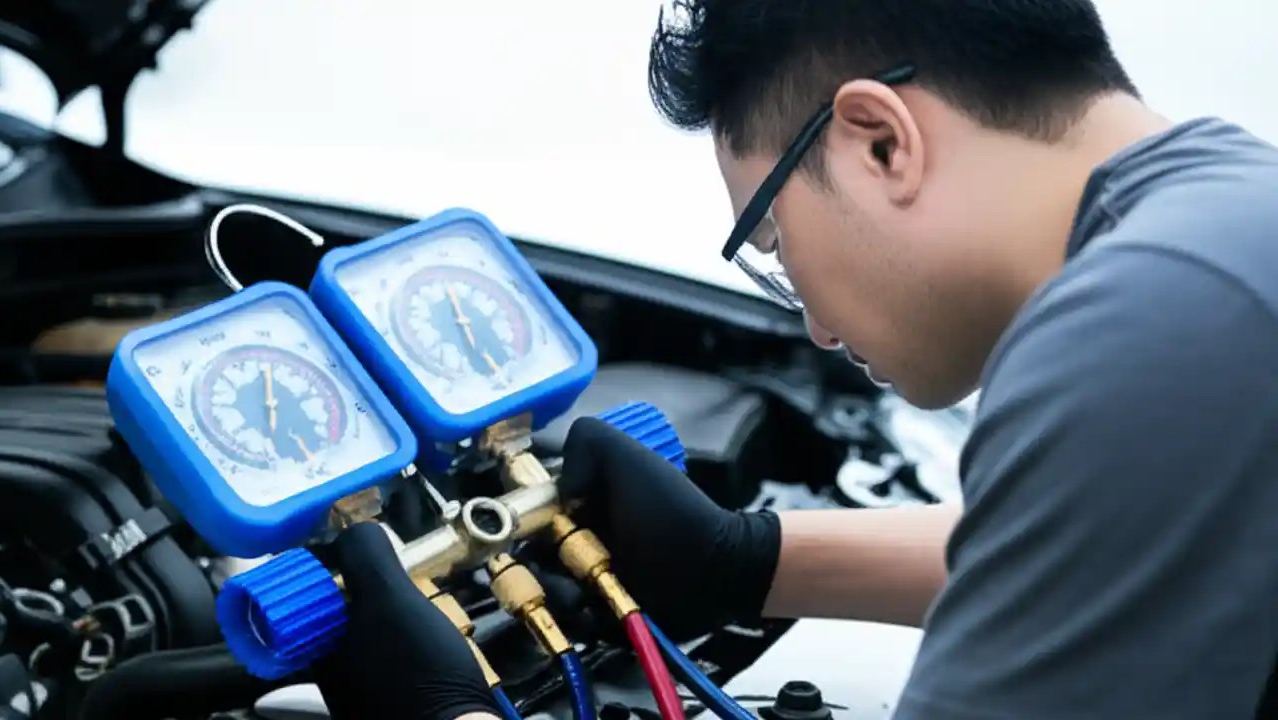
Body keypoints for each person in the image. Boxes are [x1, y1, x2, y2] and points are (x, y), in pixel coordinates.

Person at [314, 1, 1278, 718]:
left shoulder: (1149, 324)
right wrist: (749, 560)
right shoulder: (1225, 233)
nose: (812, 325)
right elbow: (1084, 553)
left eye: (773, 243)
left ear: (878, 143)